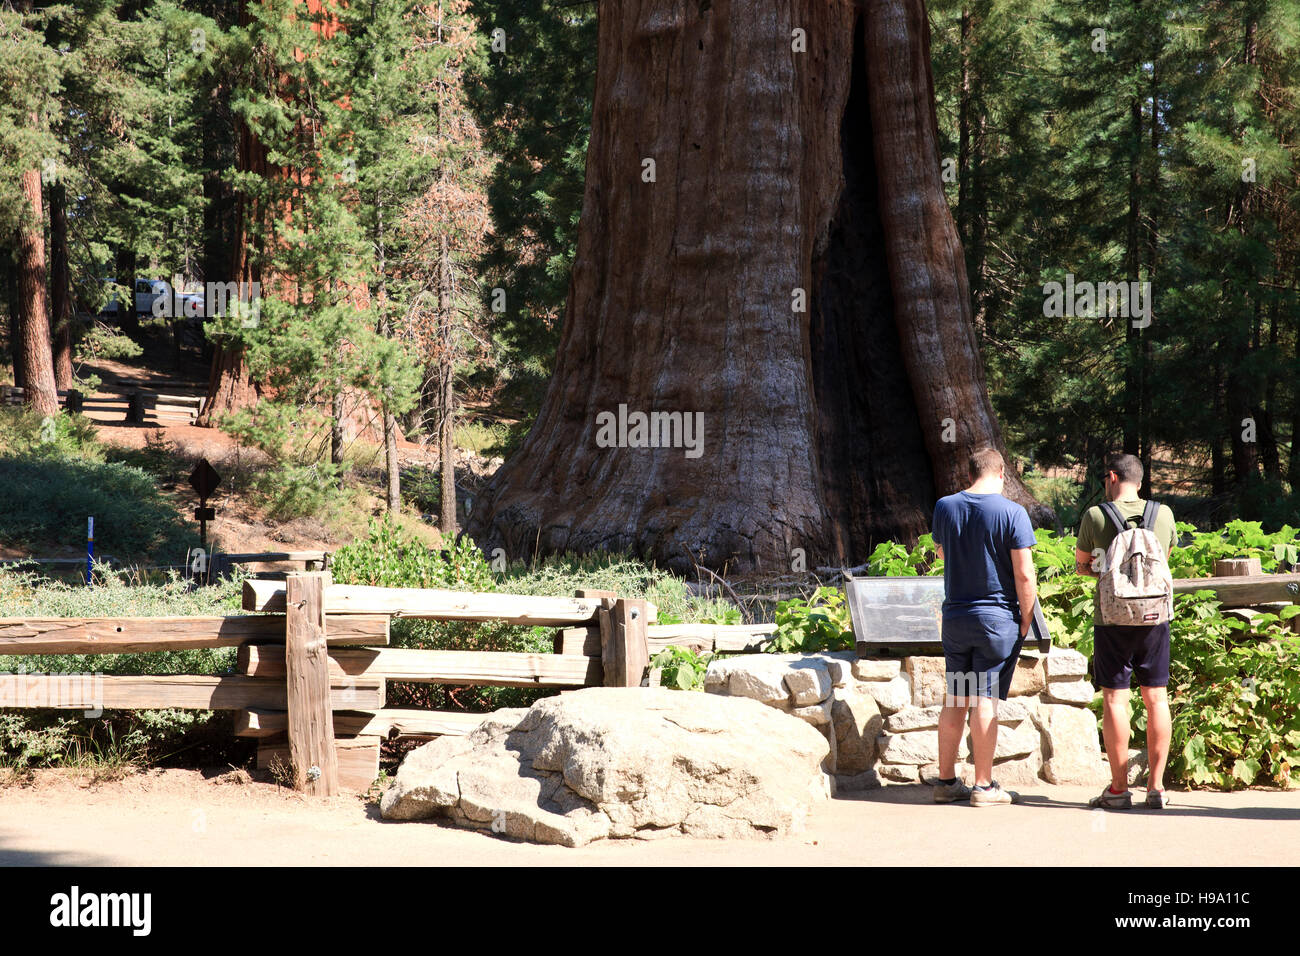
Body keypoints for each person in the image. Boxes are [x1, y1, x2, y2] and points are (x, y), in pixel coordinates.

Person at [930, 446, 1038, 806]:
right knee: (985, 701)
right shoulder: (1012, 512)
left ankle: (946, 782)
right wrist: (1026, 617)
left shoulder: (945, 507)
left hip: (956, 619)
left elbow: (942, 553)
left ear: (971, 474)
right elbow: (1024, 573)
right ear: (1002, 474)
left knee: (957, 696)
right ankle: (983, 785)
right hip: (996, 622)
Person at [1075, 453, 1177, 810]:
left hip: (1112, 618)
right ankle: (1157, 788)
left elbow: (1083, 566)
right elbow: (1163, 560)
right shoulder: (1162, 514)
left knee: (1116, 699)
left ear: (1114, 477)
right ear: (1141, 480)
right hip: (1154, 618)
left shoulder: (1096, 515)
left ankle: (1118, 790)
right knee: (1156, 699)